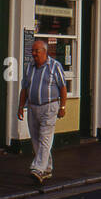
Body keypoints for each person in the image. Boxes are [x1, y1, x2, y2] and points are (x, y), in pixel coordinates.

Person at [18, 37, 67, 186]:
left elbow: (63, 87)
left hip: (49, 107)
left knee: (45, 139)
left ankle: (38, 169)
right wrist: (21, 107)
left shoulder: (55, 66)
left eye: (36, 51)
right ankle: (47, 168)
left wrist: (62, 107)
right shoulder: (29, 67)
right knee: (36, 139)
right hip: (33, 107)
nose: (33, 53)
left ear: (44, 52)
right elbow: (25, 88)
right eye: (32, 50)